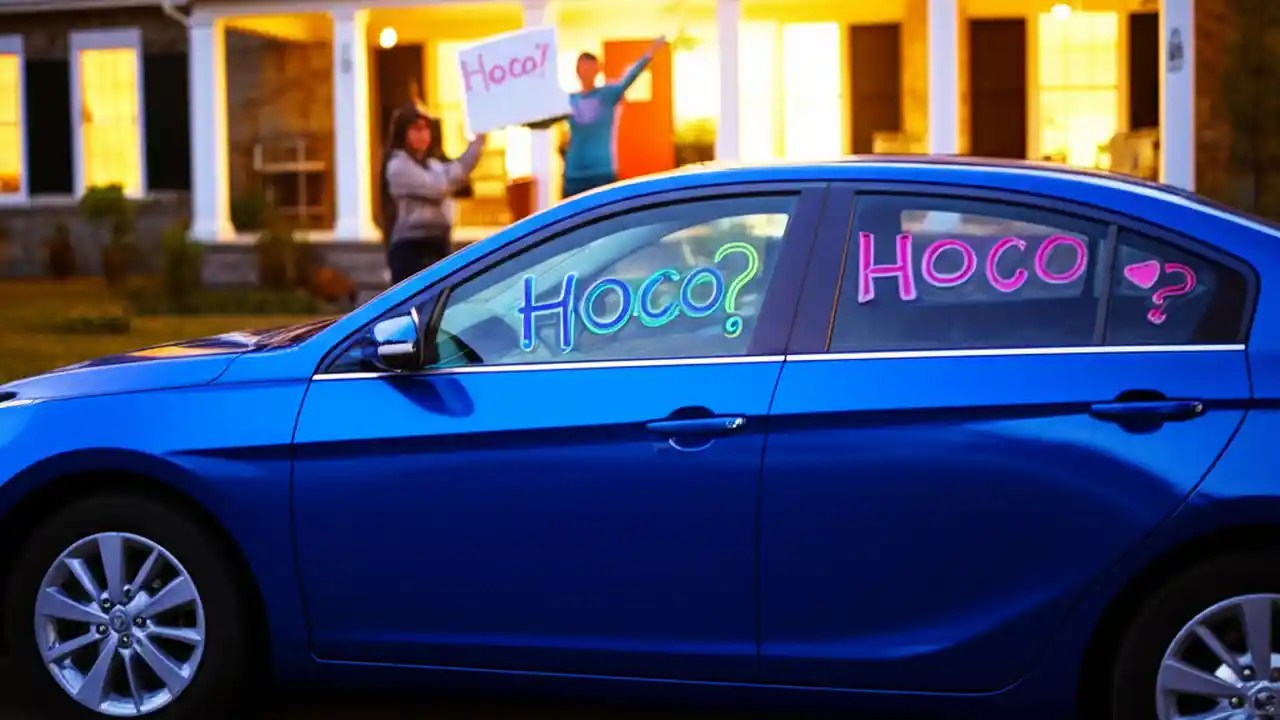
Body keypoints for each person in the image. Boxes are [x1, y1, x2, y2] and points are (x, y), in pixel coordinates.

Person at [379, 103, 486, 284]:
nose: (423, 135)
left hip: (438, 243)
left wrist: (478, 143)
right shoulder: (398, 166)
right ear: (403, 132)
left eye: (426, 129)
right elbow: (438, 187)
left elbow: (458, 171)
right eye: (416, 129)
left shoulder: (432, 165)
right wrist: (453, 179)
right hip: (411, 248)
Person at [561, 36, 666, 198]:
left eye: (590, 67)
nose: (586, 71)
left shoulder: (607, 94)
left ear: (597, 70)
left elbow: (629, 78)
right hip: (575, 175)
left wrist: (649, 54)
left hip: (601, 172)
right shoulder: (568, 100)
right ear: (577, 71)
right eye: (582, 67)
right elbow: (543, 119)